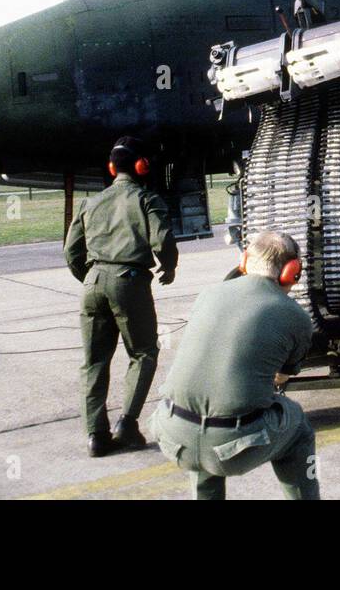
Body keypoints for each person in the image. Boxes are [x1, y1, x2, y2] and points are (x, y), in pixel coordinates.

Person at [148, 231, 320, 500]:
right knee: (298, 428)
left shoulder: (209, 294)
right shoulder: (296, 317)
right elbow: (281, 377)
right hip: (228, 449)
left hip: (171, 433)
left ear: (244, 261)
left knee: (206, 405)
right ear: (291, 272)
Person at [64, 136, 178, 457]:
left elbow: (71, 251)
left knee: (94, 361)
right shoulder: (146, 199)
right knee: (143, 353)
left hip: (92, 282)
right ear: (142, 166)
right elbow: (164, 239)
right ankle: (127, 424)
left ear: (111, 167)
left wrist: (90, 277)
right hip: (129, 282)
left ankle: (96, 436)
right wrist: (168, 267)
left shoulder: (90, 203)